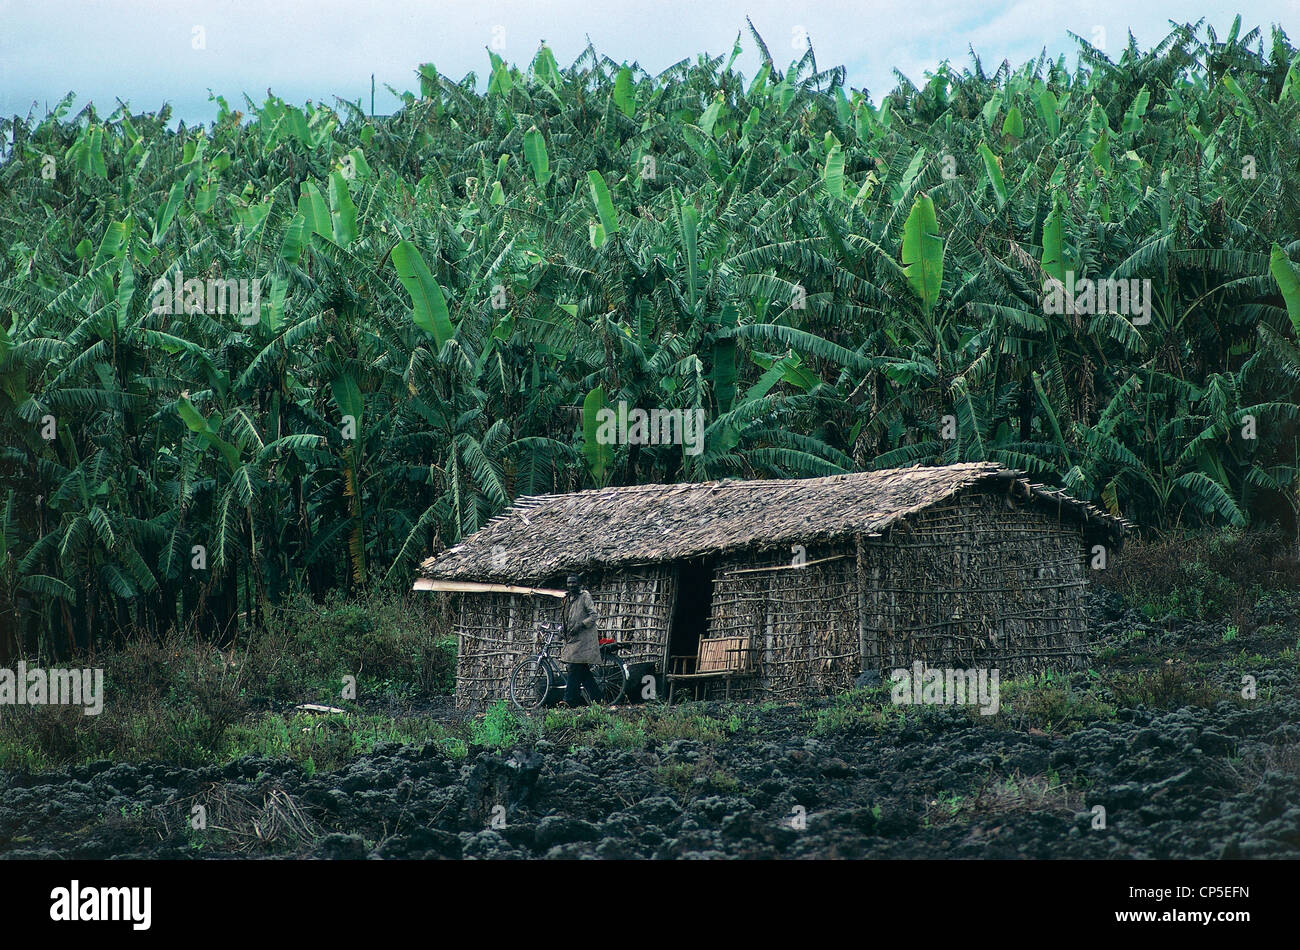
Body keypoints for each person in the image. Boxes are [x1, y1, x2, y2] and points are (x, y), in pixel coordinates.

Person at [559, 573, 603, 706]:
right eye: (569, 583)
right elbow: (566, 618)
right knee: (583, 671)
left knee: (573, 667)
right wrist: (563, 629)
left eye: (573, 582)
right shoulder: (567, 598)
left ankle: (569, 700)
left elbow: (594, 615)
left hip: (583, 640)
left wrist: (581, 625)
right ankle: (598, 699)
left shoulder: (585, 596)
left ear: (579, 584)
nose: (571, 585)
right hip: (572, 639)